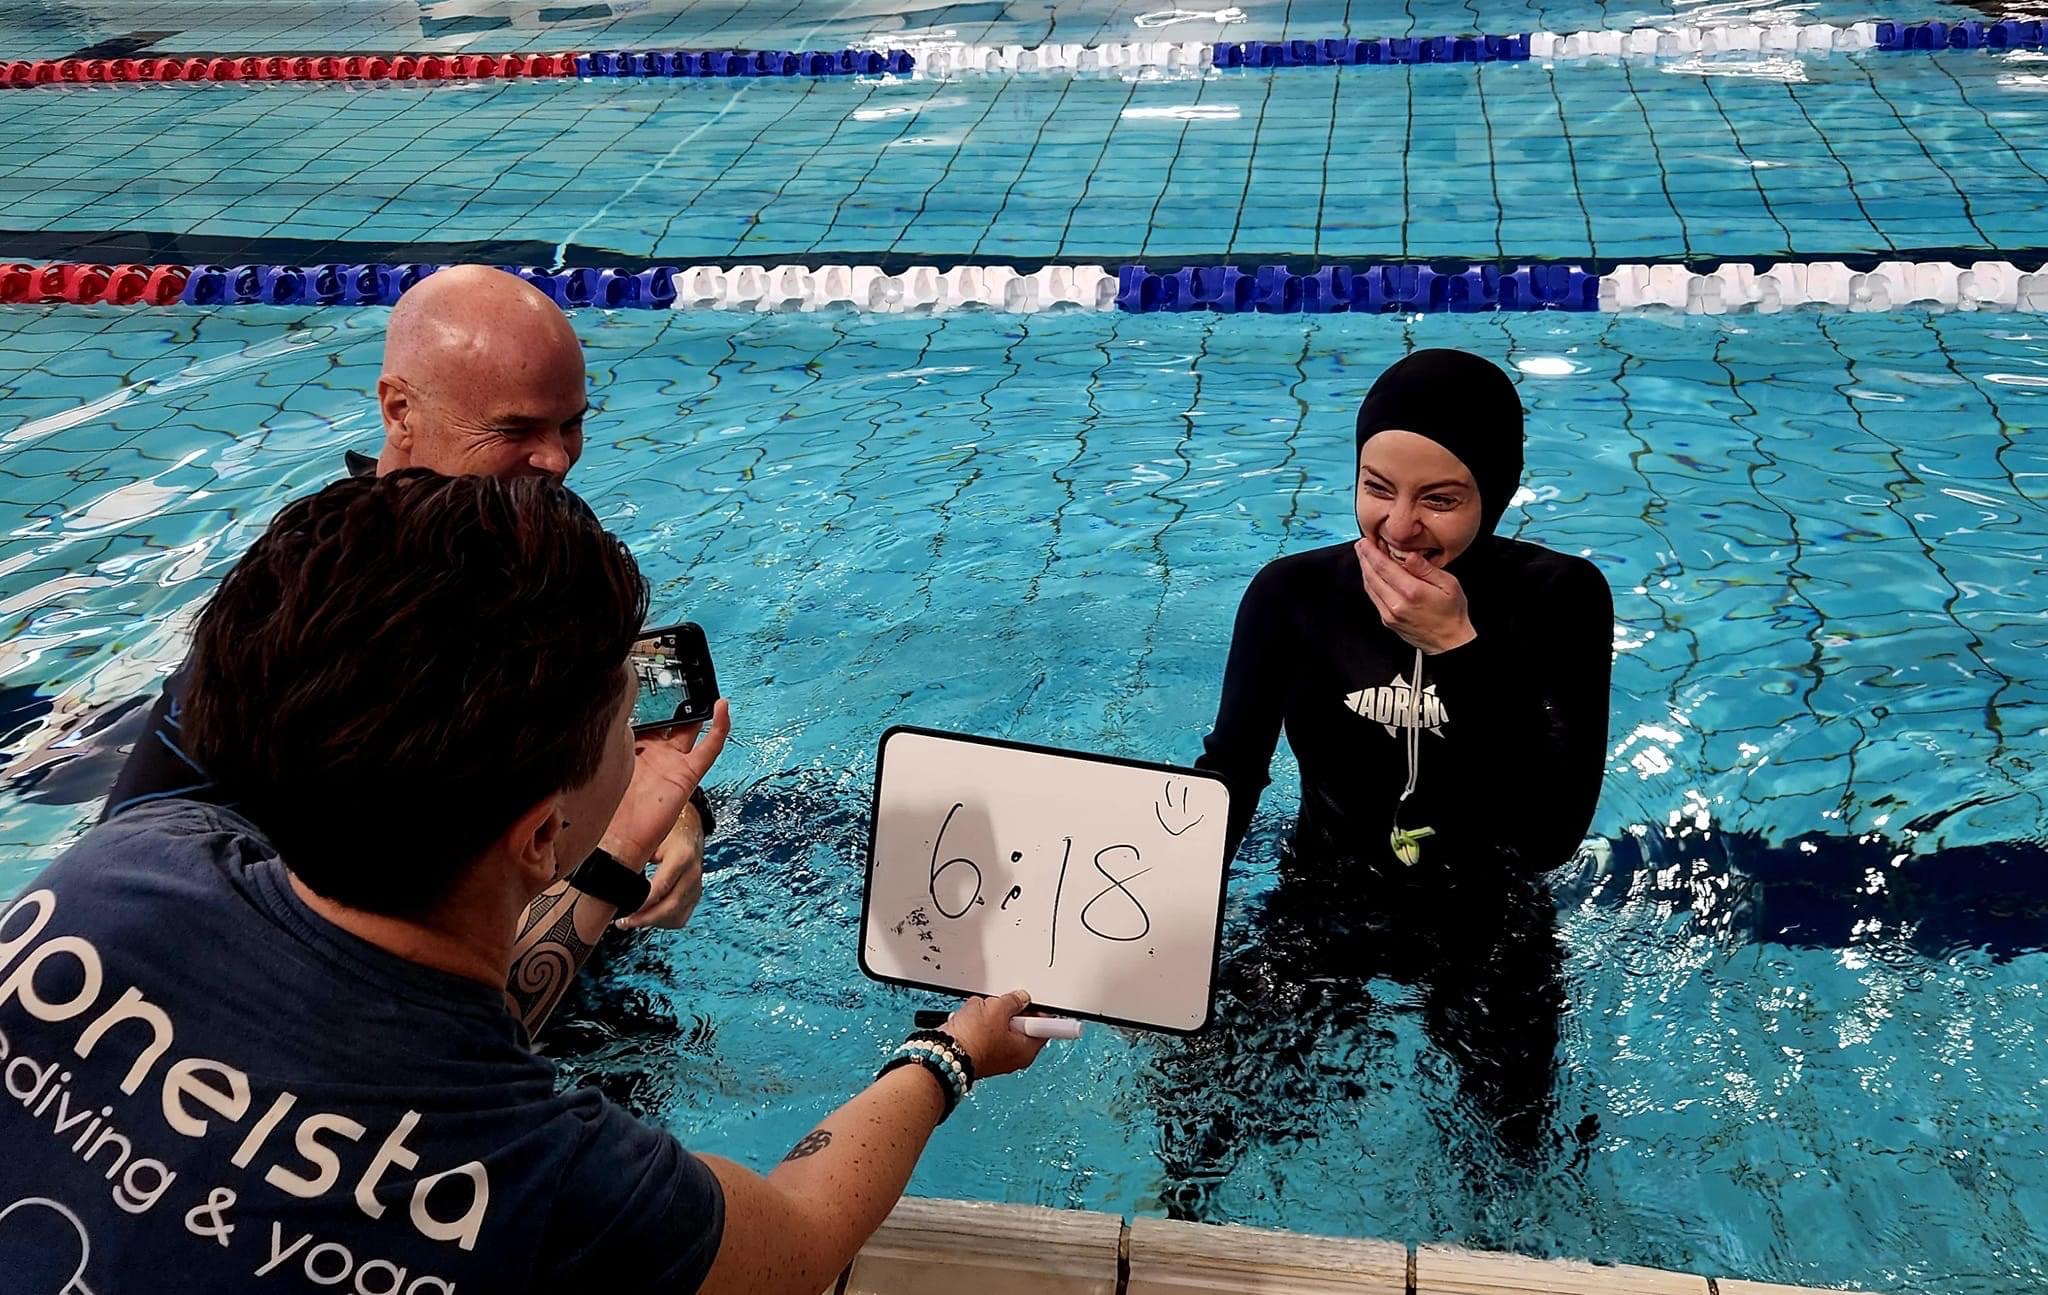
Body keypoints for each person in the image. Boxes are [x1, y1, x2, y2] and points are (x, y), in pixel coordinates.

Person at [0, 472, 1045, 1294]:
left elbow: (383, 1014)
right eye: (616, 716)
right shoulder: (537, 1175)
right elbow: (804, 1236)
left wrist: (611, 846)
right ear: (538, 826)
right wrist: (949, 1049)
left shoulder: (120, 866)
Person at [98, 265, 706, 1036]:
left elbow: (619, 707)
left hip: (562, 937)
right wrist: (613, 857)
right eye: (517, 430)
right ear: (399, 409)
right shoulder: (315, 622)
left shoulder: (540, 527)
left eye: (572, 425)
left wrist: (678, 815)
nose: (556, 459)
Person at [1154, 348, 1613, 1216]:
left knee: (1510, 1169)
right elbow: (1229, 779)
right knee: (1195, 1119)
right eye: (1377, 487)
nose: (1399, 526)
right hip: (1326, 897)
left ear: (1495, 493)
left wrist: (1461, 653)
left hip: (1487, 913)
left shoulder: (1559, 599)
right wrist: (1137, 925)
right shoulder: (1293, 596)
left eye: (1440, 499)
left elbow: (1552, 832)